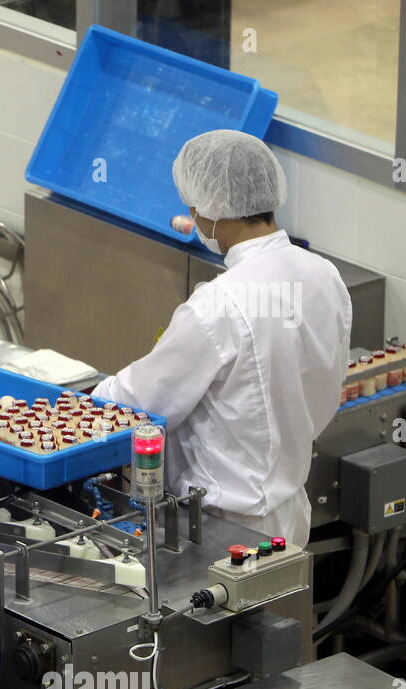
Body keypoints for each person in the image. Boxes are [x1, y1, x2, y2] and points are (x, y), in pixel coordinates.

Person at [94, 129, 352, 549]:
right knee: (282, 613)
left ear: (215, 208)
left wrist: (90, 396)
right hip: (289, 513)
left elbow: (139, 404)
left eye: (194, 207)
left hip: (222, 527)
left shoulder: (219, 305)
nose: (192, 217)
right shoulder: (323, 275)